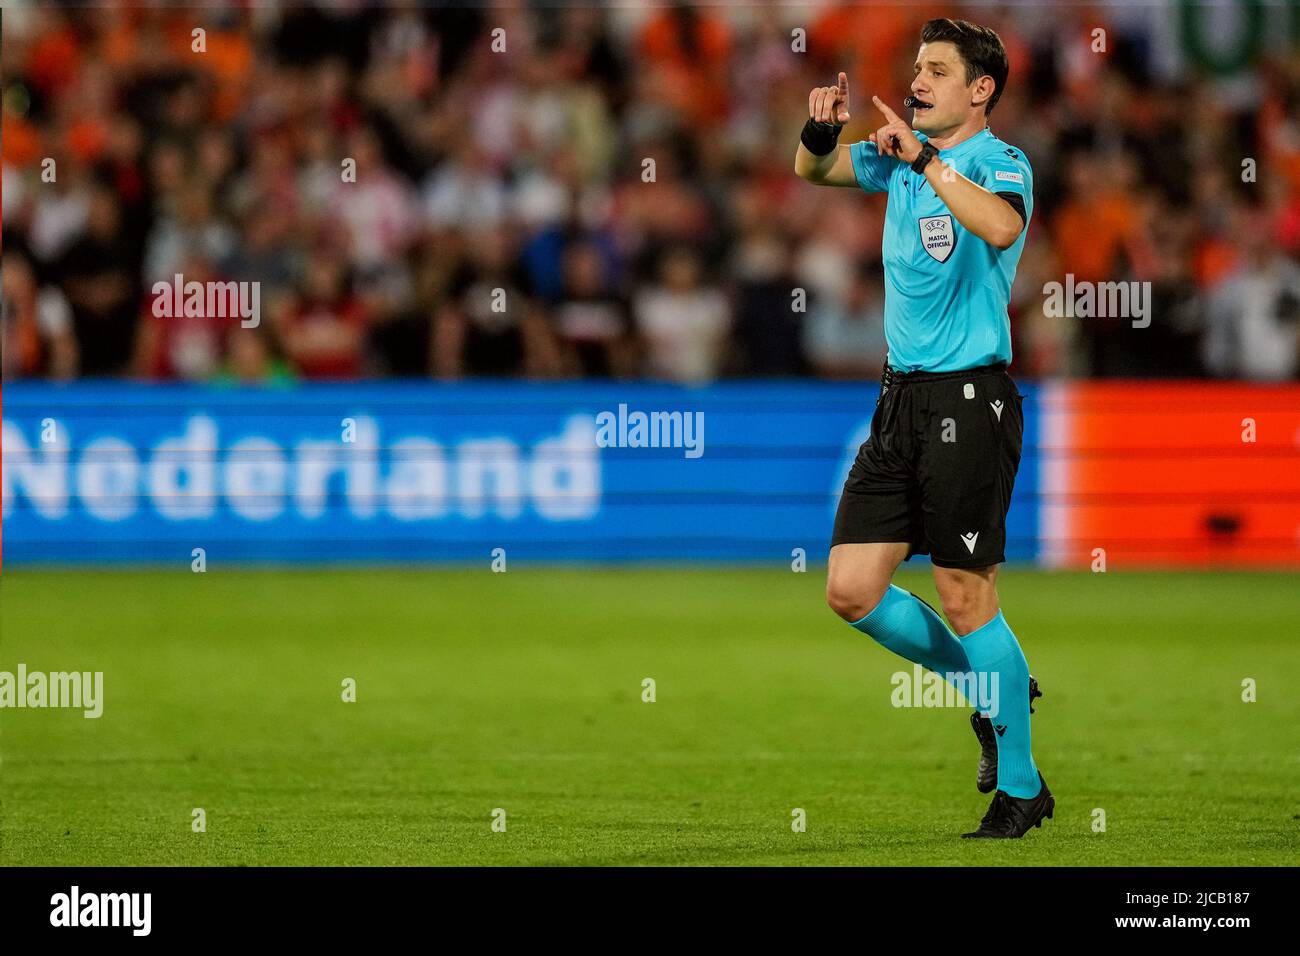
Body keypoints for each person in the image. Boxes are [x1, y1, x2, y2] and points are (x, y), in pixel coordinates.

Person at [795, 18, 1051, 838]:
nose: (919, 79)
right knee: (850, 590)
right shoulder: (898, 156)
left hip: (970, 400)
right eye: (917, 67)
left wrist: (926, 159)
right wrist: (821, 130)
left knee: (965, 595)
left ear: (981, 89)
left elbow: (1005, 228)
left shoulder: (998, 163)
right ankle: (989, 690)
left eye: (937, 69)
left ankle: (1021, 790)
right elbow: (815, 170)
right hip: (900, 400)